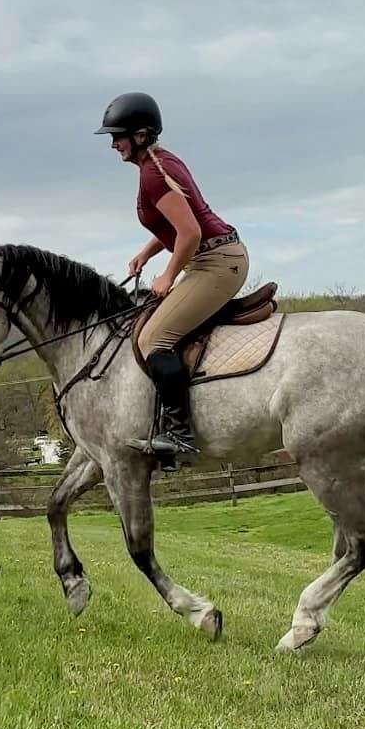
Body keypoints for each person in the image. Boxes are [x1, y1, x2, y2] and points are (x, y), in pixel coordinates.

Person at [96, 92, 249, 457]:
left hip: (215, 260)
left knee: (154, 340)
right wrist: (146, 253)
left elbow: (191, 233)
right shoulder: (159, 162)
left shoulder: (153, 174)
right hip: (211, 257)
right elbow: (177, 224)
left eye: (118, 136)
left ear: (142, 135)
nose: (114, 144)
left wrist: (167, 275)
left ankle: (180, 434)